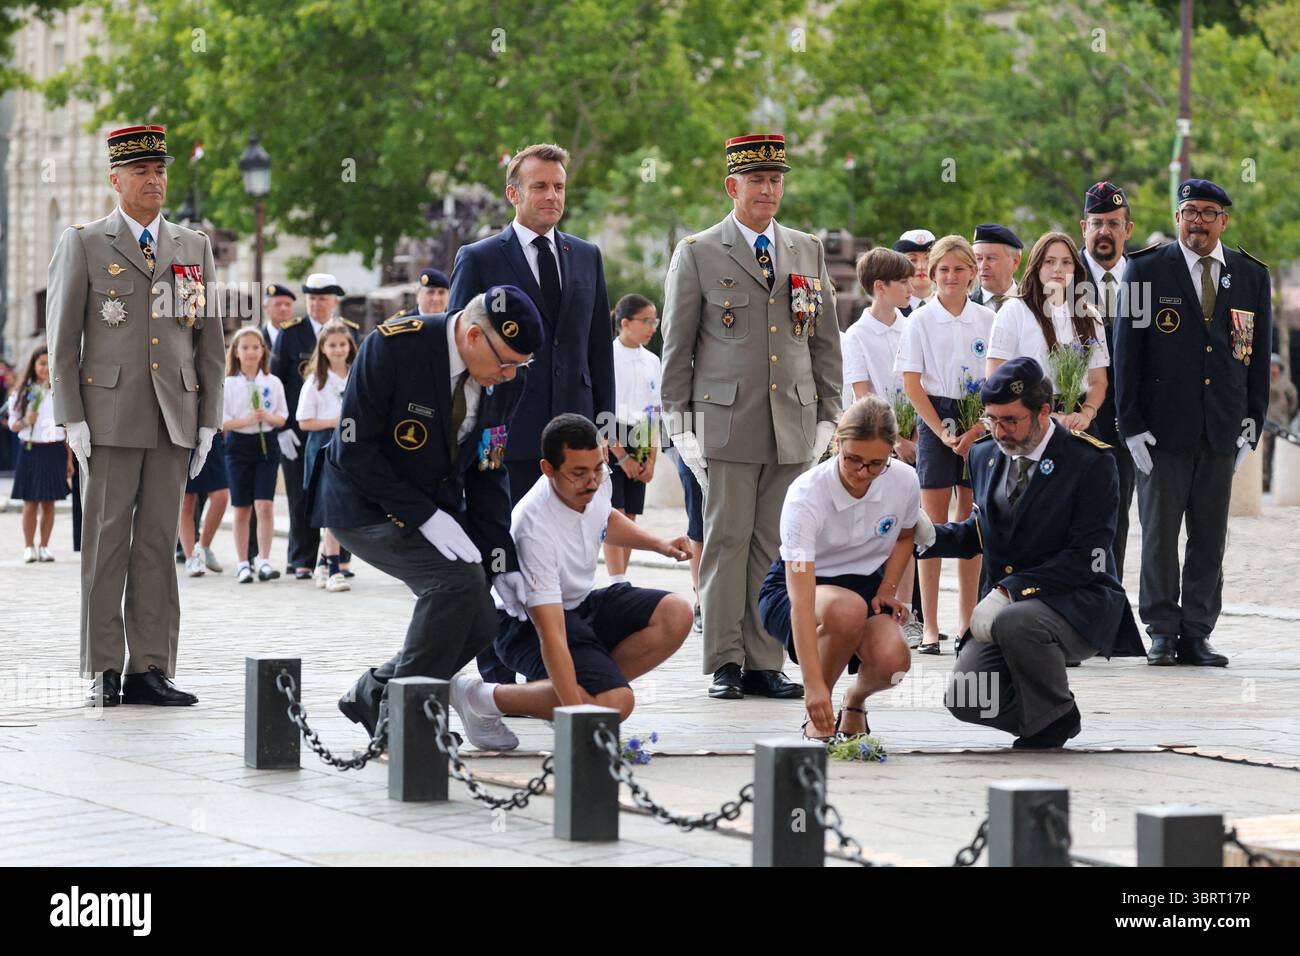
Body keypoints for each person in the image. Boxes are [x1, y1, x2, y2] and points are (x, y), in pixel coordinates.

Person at [315, 287, 543, 742]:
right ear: (474, 336)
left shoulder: (505, 381)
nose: (511, 374)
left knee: (482, 618)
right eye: (506, 362)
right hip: (362, 503)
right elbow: (354, 450)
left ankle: (378, 690)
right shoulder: (394, 346)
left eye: (521, 364)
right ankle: (404, 724)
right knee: (452, 583)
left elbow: (488, 470)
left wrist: (502, 560)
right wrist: (423, 516)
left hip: (435, 507)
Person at [661, 132, 842, 701]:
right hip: (725, 423)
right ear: (731, 186)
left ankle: (766, 662)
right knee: (725, 542)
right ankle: (724, 660)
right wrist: (679, 424)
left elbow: (823, 340)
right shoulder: (699, 251)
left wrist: (829, 415)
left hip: (792, 419)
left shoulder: (806, 250)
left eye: (776, 179)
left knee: (775, 545)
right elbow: (678, 346)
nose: (768, 190)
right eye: (757, 180)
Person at [47, 124, 223, 707]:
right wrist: (71, 418)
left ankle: (150, 666)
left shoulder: (192, 247)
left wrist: (207, 421)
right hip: (109, 417)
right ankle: (103, 667)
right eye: (143, 171)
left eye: (161, 170)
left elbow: (208, 343)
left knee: (157, 547)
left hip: (173, 416)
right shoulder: (86, 243)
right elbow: (63, 338)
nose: (155, 180)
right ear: (115, 179)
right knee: (106, 543)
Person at [447, 142, 614, 685]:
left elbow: (596, 350)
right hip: (505, 433)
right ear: (513, 194)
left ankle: (555, 664)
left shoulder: (585, 255)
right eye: (540, 186)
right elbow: (459, 347)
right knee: (503, 549)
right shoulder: (480, 258)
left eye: (559, 186)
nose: (551, 196)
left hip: (573, 435)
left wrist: (604, 429)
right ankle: (496, 674)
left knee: (561, 551)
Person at [919, 357, 1144, 748]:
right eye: (992, 420)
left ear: (1043, 412)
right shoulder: (984, 454)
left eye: (1011, 420)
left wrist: (1008, 592)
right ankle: (1048, 719)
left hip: (1076, 600)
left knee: (1017, 622)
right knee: (967, 697)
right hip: (1009, 606)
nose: (1001, 431)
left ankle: (1056, 716)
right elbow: (982, 530)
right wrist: (928, 536)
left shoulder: (1090, 461)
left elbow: (1085, 557)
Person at [452, 414, 693, 740]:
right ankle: (478, 697)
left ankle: (585, 693)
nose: (592, 482)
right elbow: (551, 636)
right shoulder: (534, 529)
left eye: (597, 469)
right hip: (525, 627)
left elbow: (605, 516)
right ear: (547, 469)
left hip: (579, 604)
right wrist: (577, 721)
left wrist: (658, 544)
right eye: (578, 474)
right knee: (616, 703)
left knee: (676, 612)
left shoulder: (597, 478)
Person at [1114, 179, 1272, 667]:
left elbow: (1256, 355)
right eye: (1188, 211)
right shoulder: (1144, 271)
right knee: (1160, 533)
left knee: (1209, 535)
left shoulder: (1249, 275)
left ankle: (1197, 630)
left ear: (1224, 220)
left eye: (1208, 212)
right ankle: (1161, 630)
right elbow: (1127, 353)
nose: (1197, 220)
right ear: (1177, 217)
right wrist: (1131, 423)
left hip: (1221, 428)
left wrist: (1253, 420)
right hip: (1161, 430)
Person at [759, 396, 916, 739]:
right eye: (853, 459)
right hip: (799, 591)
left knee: (894, 661)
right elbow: (801, 602)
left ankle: (854, 702)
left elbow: (905, 537)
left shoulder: (904, 480)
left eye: (876, 464)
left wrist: (888, 589)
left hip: (866, 586)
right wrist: (813, 687)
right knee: (846, 610)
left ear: (892, 450)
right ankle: (819, 712)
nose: (863, 473)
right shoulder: (806, 493)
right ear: (836, 443)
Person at [896, 234, 993, 654]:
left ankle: (967, 621)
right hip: (936, 419)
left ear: (972, 272)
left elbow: (995, 375)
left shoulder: (988, 320)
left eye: (959, 268)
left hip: (978, 419)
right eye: (943, 270)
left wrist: (977, 428)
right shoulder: (920, 321)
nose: (951, 277)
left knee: (971, 521)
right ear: (931, 275)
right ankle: (930, 625)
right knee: (931, 527)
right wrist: (939, 432)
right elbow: (912, 382)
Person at [841, 247, 923, 648]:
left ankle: (905, 610)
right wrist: (896, 442)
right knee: (879, 532)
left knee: (908, 529)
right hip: (879, 446)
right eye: (904, 281)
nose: (912, 287)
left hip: (915, 440)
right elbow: (863, 395)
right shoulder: (856, 336)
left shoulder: (912, 326)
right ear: (880, 287)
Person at [271, 272, 361, 580]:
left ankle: (339, 559)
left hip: (343, 436)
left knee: (342, 497)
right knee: (300, 495)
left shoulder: (350, 332)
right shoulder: (291, 332)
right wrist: (281, 427)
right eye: (311, 298)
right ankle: (301, 559)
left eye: (322, 298)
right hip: (301, 431)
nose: (316, 304)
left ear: (335, 300)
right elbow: (277, 381)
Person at [987, 231, 1108, 436]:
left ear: (1075, 269)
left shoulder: (1090, 315)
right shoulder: (1014, 310)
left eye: (1066, 262)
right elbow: (995, 377)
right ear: (1037, 266)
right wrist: (1049, 415)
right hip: (1029, 419)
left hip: (1079, 422)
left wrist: (1086, 414)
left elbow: (1098, 381)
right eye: (1049, 261)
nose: (1058, 269)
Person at [1078, 181, 1137, 577]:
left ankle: (1109, 605)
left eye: (1113, 223)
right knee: (1071, 518)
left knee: (1118, 518)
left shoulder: (1147, 275)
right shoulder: (1062, 275)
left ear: (1127, 229)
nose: (1105, 231)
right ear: (1083, 227)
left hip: (1129, 423)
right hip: (1074, 420)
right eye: (1097, 223)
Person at [222, 328, 288, 584]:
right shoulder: (229, 383)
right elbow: (223, 421)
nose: (250, 352)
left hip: (266, 445)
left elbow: (282, 416)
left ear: (263, 351)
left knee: (265, 504)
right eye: (245, 348)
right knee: (241, 508)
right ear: (236, 353)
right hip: (239, 445)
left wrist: (267, 417)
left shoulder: (272, 382)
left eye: (255, 347)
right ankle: (242, 563)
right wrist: (246, 420)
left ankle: (264, 559)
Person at [604, 293, 662, 583]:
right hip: (611, 437)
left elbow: (654, 411)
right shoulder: (606, 357)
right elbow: (603, 410)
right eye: (646, 321)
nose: (652, 327)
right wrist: (621, 456)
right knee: (615, 513)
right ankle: (616, 581)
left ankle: (622, 579)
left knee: (631, 518)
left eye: (655, 321)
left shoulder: (652, 361)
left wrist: (650, 459)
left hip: (641, 435)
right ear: (625, 323)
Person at [296, 319, 357, 591]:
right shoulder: (316, 381)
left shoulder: (357, 374)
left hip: (352, 446)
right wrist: (333, 421)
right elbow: (304, 421)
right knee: (330, 509)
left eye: (342, 344)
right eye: (332, 345)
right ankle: (334, 568)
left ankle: (322, 563)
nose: (338, 349)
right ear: (323, 348)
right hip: (324, 446)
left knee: (345, 507)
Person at [6, 345, 69, 561]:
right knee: (30, 501)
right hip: (31, 450)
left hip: (54, 450)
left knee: (49, 502)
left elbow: (66, 428)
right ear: (34, 366)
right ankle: (28, 546)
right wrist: (25, 421)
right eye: (41, 363)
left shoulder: (60, 391)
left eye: (48, 364)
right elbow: (13, 423)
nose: (45, 368)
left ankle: (44, 545)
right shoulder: (23, 392)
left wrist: (69, 459)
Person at [179, 427, 228, 577]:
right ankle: (191, 557)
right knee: (187, 499)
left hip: (210, 432)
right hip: (184, 432)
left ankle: (203, 546)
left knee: (221, 495)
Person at [970, 223, 1023, 312]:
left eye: (991, 258)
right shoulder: (964, 307)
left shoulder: (1034, 306)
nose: (983, 266)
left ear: (1015, 262)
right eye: (978, 258)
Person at [1264, 353, 1297, 492]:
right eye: (1271, 366)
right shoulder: (1263, 381)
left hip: (1282, 423)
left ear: (1280, 368)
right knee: (1264, 455)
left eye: (1275, 366)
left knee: (1281, 455)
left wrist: (1286, 417)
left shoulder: (1286, 384)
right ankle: (1264, 483)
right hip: (1265, 424)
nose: (1273, 369)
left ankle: (1281, 485)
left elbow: (1293, 404)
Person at [892, 229, 936, 316]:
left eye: (928, 259)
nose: (921, 267)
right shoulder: (890, 310)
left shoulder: (949, 306)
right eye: (912, 260)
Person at [260, 282, 296, 354]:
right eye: (278, 304)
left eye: (288, 304)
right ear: (266, 307)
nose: (283, 308)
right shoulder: (258, 337)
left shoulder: (300, 336)